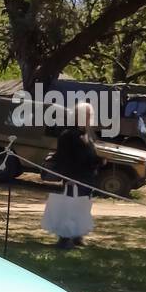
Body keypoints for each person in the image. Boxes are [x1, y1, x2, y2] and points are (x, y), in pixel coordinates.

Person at [42, 101, 103, 249]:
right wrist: (67, 177)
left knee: (82, 208)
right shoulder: (68, 135)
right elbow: (67, 158)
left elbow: (88, 155)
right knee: (69, 209)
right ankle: (64, 239)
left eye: (90, 114)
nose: (90, 117)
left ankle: (77, 236)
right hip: (74, 178)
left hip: (86, 178)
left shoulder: (86, 134)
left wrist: (98, 161)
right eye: (87, 114)